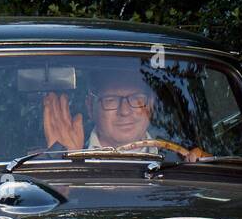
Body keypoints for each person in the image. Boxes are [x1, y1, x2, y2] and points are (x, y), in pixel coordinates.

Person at [41, 64, 209, 161]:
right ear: (91, 107)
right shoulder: (65, 153)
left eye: (136, 99)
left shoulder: (178, 158)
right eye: (111, 100)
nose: (125, 111)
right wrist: (67, 162)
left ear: (150, 104)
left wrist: (206, 167)